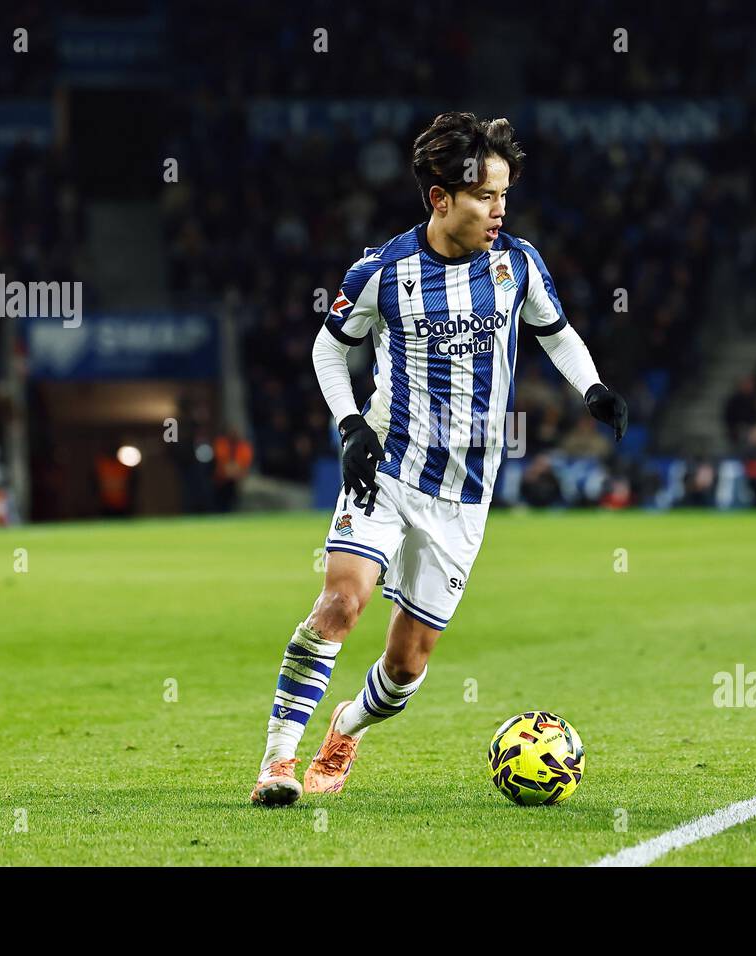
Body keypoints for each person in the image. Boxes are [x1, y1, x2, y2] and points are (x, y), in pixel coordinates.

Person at [252, 112, 628, 805]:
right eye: (486, 196)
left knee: (405, 667)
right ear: (441, 198)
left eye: (505, 197)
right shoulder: (383, 271)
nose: (499, 211)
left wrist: (594, 387)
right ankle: (277, 765)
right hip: (388, 468)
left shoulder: (516, 264)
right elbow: (329, 348)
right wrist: (349, 426)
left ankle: (347, 729)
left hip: (464, 493)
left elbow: (557, 332)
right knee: (340, 602)